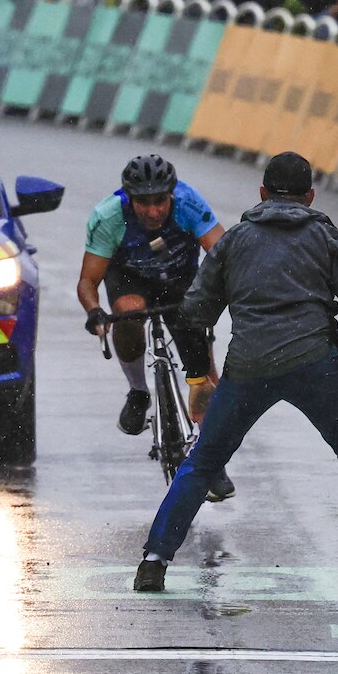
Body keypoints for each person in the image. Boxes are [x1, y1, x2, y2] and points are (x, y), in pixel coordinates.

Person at [133, 152, 338, 596]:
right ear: (310, 196)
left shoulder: (235, 242)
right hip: (315, 366)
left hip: (248, 369)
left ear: (261, 193)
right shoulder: (331, 240)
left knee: (203, 463)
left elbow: (192, 314)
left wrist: (199, 376)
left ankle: (154, 562)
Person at [77, 154, 235, 501]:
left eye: (160, 201)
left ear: (172, 195)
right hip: (130, 280)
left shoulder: (189, 202)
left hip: (180, 280)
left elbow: (224, 254)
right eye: (143, 203)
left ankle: (212, 459)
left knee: (203, 375)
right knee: (127, 314)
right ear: (129, 198)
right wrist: (95, 311)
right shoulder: (108, 216)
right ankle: (138, 391)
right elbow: (88, 280)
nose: (153, 212)